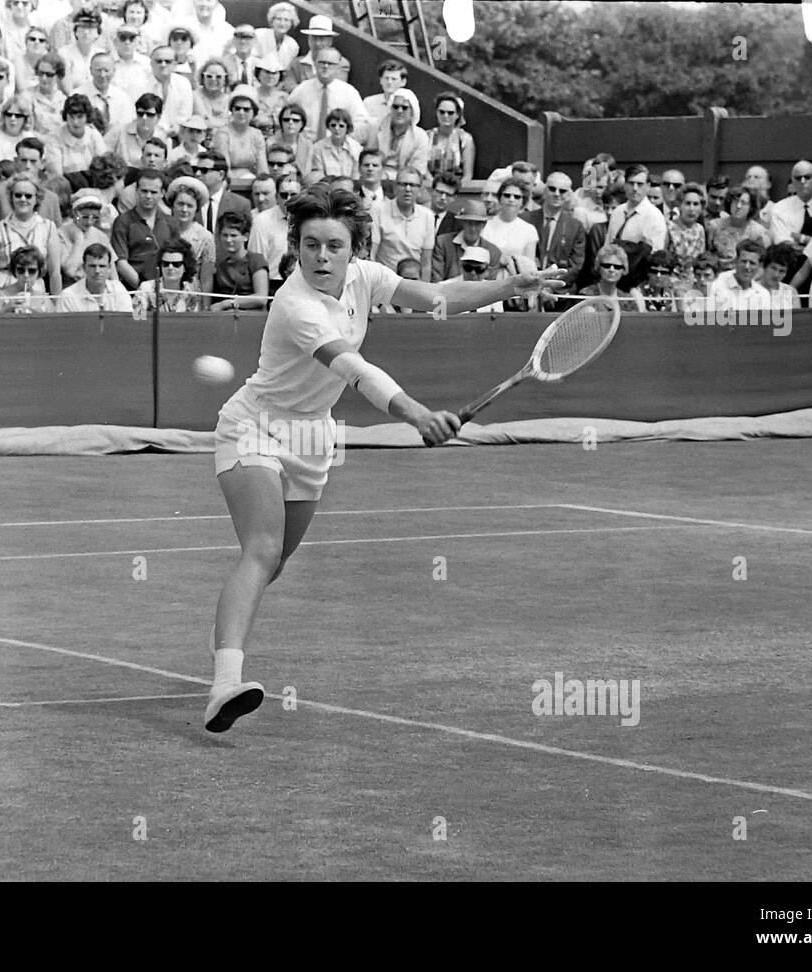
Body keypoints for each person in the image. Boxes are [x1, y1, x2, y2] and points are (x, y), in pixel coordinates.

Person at [203, 183, 564, 732]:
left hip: (312, 438)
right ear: (295, 247)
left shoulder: (366, 278)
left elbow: (439, 296)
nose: (321, 257)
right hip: (255, 427)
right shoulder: (295, 305)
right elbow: (355, 370)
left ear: (354, 249)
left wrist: (509, 285)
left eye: (334, 246)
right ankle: (225, 682)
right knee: (261, 549)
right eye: (310, 245)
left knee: (271, 564)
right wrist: (417, 414)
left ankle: (229, 629)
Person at [0, 174, 63, 306]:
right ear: (11, 197)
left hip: (36, 290)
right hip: (5, 291)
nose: (23, 199)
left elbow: (54, 271)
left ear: (37, 198)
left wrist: (56, 302)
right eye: (18, 195)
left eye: (28, 196)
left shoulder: (48, 227)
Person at [164, 175, 214, 296]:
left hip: (191, 295)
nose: (184, 209)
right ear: (173, 205)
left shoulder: (205, 237)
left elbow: (206, 278)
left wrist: (205, 309)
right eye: (180, 204)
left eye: (190, 205)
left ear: (196, 208)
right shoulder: (162, 228)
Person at [210, 209, 267, 310]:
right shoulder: (221, 265)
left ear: (245, 236)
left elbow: (261, 298)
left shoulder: (256, 260)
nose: (228, 240)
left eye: (233, 235)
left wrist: (226, 304)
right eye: (225, 235)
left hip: (252, 317)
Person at [432, 199, 501, 282]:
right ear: (462, 222)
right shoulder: (443, 243)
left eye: (477, 224)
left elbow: (489, 286)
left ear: (484, 225)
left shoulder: (493, 252)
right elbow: (436, 279)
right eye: (469, 223)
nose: (473, 228)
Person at [768, 160, 812, 249]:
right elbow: (782, 242)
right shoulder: (779, 208)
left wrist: (800, 238)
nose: (802, 181)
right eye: (798, 178)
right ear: (793, 181)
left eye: (807, 177)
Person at [210, 86, 266, 187]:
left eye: (246, 109)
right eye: (237, 108)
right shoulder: (222, 133)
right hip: (228, 182)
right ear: (232, 110)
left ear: (253, 112)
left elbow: (262, 168)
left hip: (252, 182)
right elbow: (225, 169)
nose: (241, 112)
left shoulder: (257, 134)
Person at [371, 88, 429, 185]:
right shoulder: (377, 128)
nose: (400, 111)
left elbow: (417, 171)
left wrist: (389, 177)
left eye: (404, 107)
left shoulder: (420, 136)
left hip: (404, 184)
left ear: (412, 111)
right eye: (396, 107)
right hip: (375, 181)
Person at [55, 241, 133, 311]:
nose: (97, 271)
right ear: (84, 267)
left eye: (102, 266)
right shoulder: (68, 296)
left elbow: (126, 323)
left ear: (109, 268)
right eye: (92, 266)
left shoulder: (119, 290)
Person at [706, 185, 770, 265]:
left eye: (743, 203)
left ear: (751, 207)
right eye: (735, 202)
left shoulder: (758, 232)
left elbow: (762, 263)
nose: (738, 206)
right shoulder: (715, 225)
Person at [132, 237, 199, 312]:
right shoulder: (145, 288)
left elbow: (194, 321)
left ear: (185, 267)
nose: (170, 267)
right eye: (166, 263)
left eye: (176, 264)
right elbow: (137, 317)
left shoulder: (191, 293)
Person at [709, 238, 771, 313]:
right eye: (744, 261)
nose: (747, 267)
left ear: (759, 266)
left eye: (752, 263)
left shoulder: (763, 295)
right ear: (736, 261)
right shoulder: (717, 286)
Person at [578, 242, 645, 312]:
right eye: (606, 266)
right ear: (598, 267)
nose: (611, 270)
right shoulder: (586, 294)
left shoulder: (628, 300)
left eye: (617, 267)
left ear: (623, 270)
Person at [427, 91, 474, 189]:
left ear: (457, 115)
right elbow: (423, 169)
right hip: (431, 187)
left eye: (450, 113)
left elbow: (467, 175)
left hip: (455, 189)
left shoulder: (465, 139)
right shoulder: (427, 136)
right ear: (436, 112)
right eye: (442, 112)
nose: (445, 116)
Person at [306, 107, 360, 185]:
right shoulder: (318, 147)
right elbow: (319, 176)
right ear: (328, 126)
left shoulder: (356, 147)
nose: (336, 129)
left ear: (347, 127)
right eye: (333, 125)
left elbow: (356, 175)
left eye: (341, 126)